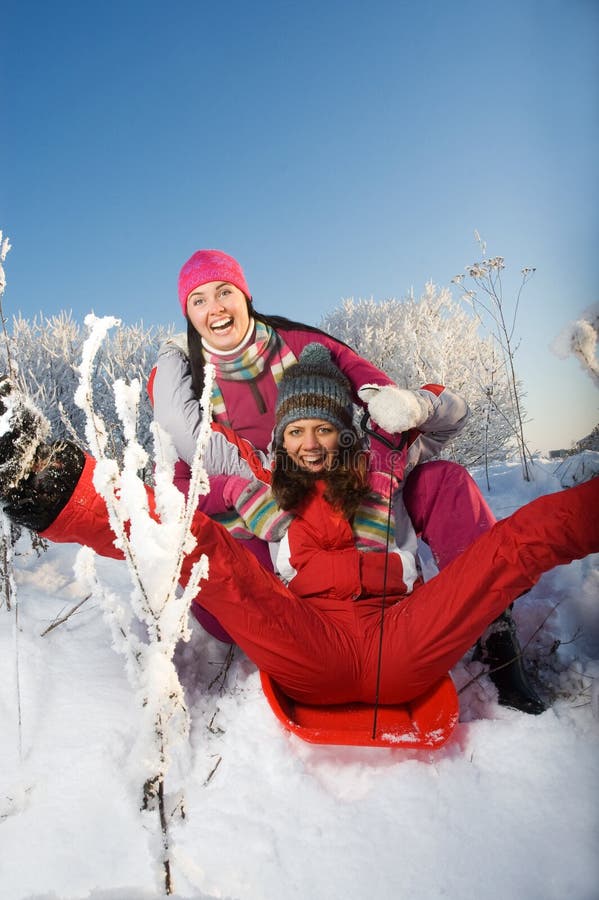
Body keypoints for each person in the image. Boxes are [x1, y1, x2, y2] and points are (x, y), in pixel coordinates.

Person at [0, 354, 597, 711]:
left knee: (511, 548)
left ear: (345, 431)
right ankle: (46, 480)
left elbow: (447, 416)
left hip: (407, 636)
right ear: (280, 440)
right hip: (308, 640)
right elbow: (186, 496)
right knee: (199, 544)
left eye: (323, 428)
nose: (309, 443)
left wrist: (416, 404)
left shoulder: (383, 472)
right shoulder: (263, 490)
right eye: (295, 432)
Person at [150, 248, 546, 713]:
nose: (214, 307)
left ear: (245, 294)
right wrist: (241, 493)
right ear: (187, 313)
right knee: (233, 594)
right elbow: (178, 481)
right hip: (262, 502)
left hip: (345, 482)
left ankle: (495, 629)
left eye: (224, 291)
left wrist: (407, 408)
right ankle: (302, 641)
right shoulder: (187, 387)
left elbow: (381, 396)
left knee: (445, 483)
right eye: (198, 299)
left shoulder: (300, 348)